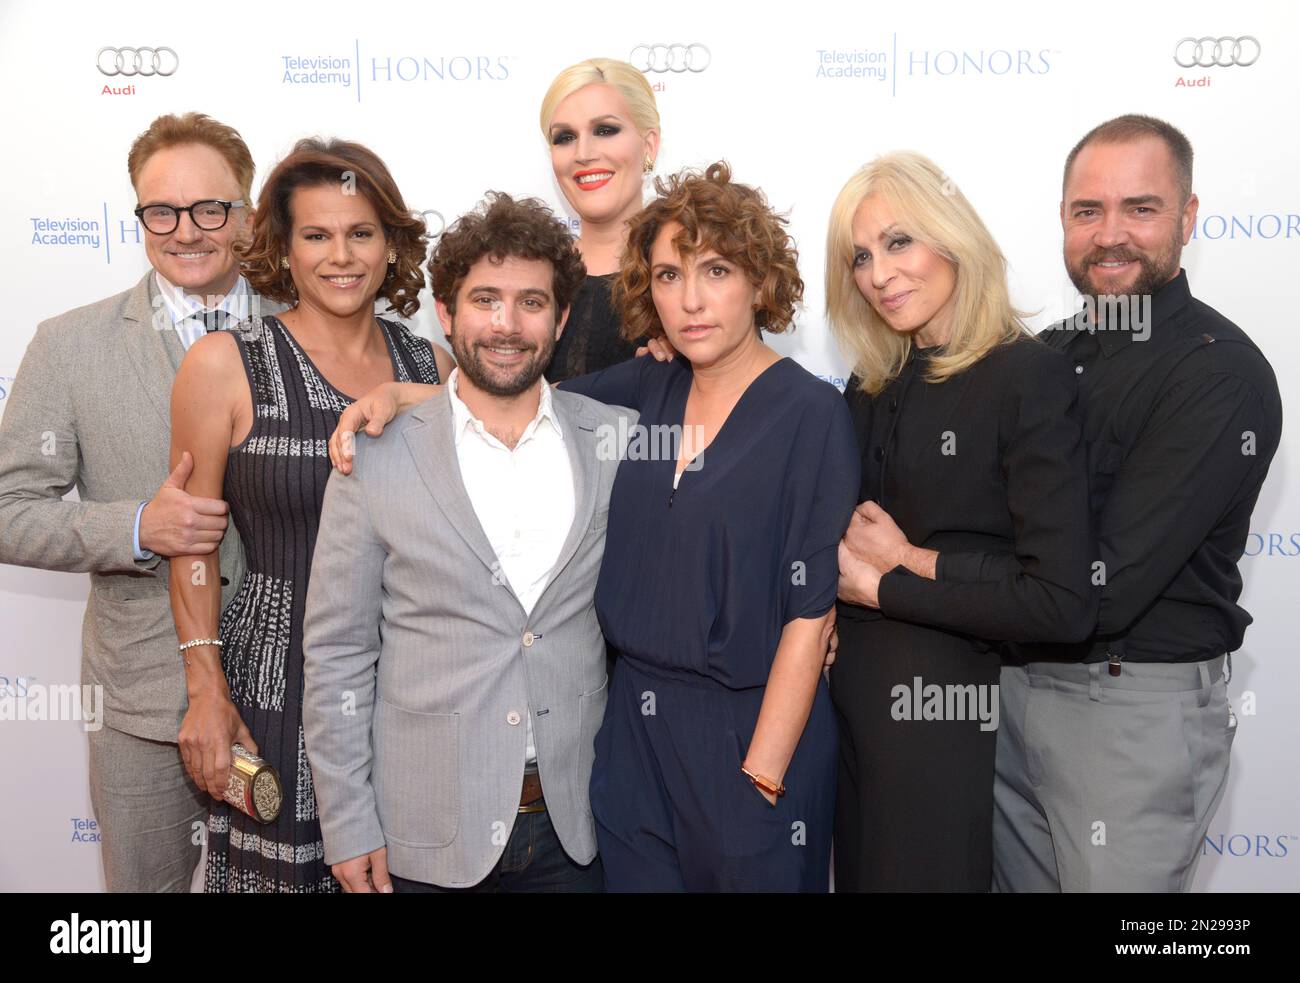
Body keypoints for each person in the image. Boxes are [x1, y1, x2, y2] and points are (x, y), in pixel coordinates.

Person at [302, 192, 630, 892]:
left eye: (531, 302)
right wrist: (349, 821)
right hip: (421, 836)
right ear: (445, 313)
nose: (506, 324)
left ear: (561, 317)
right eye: (484, 299)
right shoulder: (377, 457)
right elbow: (337, 653)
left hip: (575, 830)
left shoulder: (615, 439)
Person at [993, 115, 1282, 893]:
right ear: (1063, 220)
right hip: (1013, 694)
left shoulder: (1219, 374)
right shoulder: (1043, 356)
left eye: (1141, 208)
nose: (1110, 234)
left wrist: (909, 567)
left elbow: (1102, 586)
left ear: (1188, 218)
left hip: (1126, 712)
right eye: (1089, 211)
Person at [553, 162, 857, 891]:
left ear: (759, 280)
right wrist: (405, 395)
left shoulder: (811, 413)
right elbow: (515, 400)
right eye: (666, 276)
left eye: (714, 270)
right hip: (633, 732)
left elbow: (811, 614)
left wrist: (763, 772)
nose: (689, 300)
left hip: (752, 736)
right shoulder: (641, 387)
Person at [0, 113, 280, 892]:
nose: (185, 231)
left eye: (210, 209)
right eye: (162, 211)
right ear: (139, 217)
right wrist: (134, 525)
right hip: (143, 704)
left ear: (248, 216)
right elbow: (7, 506)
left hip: (292, 689)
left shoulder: (306, 331)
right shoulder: (69, 344)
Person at [168, 138, 451, 893]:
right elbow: (190, 540)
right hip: (273, 680)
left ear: (391, 246)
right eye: (316, 235)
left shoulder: (433, 367)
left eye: (361, 233)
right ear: (283, 251)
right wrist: (205, 689)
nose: (341, 255)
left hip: (406, 674)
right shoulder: (226, 363)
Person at [827, 151, 1096, 892]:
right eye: (859, 256)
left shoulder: (1026, 375)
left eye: (898, 242)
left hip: (936, 716)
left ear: (953, 240)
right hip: (850, 707)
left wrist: (895, 577)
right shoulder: (872, 381)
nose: (879, 273)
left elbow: (1059, 600)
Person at [540, 57, 660, 381]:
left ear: (649, 146)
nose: (583, 153)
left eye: (605, 130)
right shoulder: (535, 275)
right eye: (564, 137)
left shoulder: (691, 272)